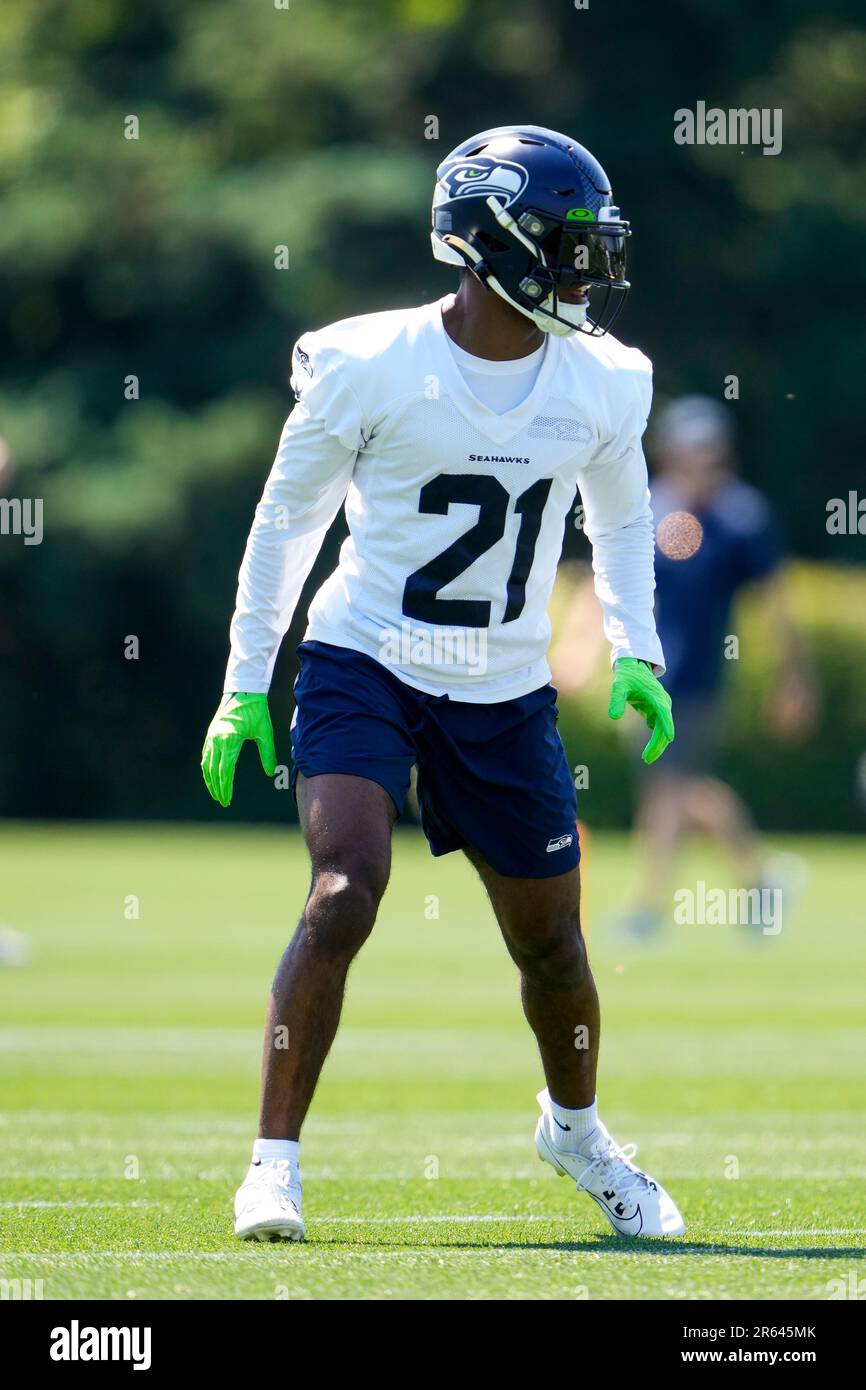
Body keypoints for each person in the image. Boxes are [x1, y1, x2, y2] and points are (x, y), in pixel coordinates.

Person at [201, 125, 683, 1241]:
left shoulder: (606, 381)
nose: (586, 269)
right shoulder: (371, 363)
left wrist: (638, 649)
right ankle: (272, 1166)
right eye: (567, 245)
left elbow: (615, 519)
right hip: (363, 655)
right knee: (342, 889)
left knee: (552, 946)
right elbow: (287, 526)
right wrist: (244, 684)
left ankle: (574, 1132)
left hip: (504, 686)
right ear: (492, 242)